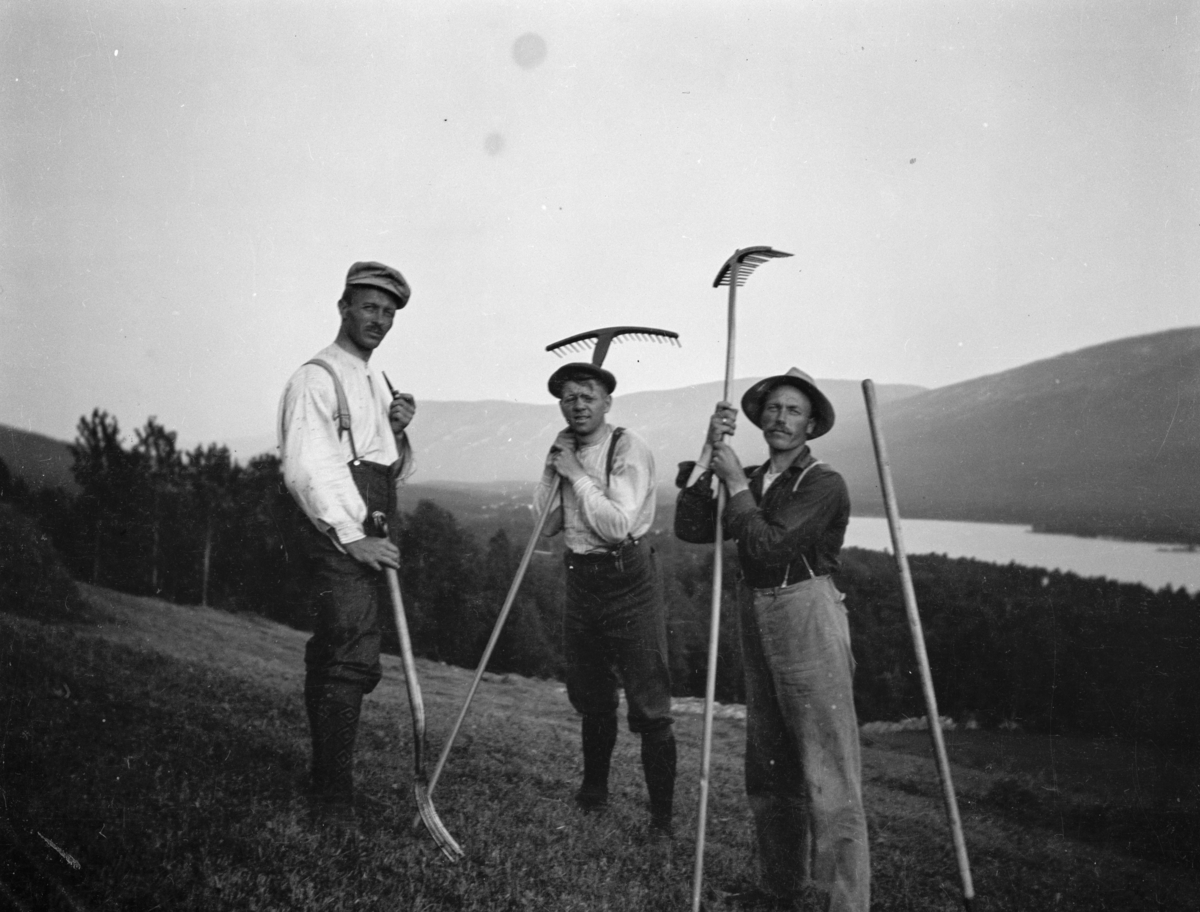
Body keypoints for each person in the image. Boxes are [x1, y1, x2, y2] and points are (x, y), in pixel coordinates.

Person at [674, 368, 869, 911]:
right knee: (770, 766)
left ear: (811, 425)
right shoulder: (756, 474)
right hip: (757, 612)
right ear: (759, 417)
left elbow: (767, 548)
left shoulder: (822, 483)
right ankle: (780, 891)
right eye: (774, 409)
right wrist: (709, 450)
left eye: (794, 412)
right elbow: (690, 527)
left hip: (807, 612)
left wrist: (735, 483)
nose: (781, 419)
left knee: (828, 775)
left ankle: (843, 905)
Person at [277, 260, 416, 828]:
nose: (379, 319)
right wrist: (352, 537)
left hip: (369, 521)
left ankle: (324, 779)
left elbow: (388, 468)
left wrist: (399, 430)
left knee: (340, 648)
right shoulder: (317, 376)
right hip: (340, 531)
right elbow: (308, 466)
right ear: (343, 307)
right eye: (368, 307)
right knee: (350, 654)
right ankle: (332, 799)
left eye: (388, 312)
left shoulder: (375, 378)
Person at [533, 361, 677, 835]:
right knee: (592, 694)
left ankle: (661, 820)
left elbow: (616, 524)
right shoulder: (566, 448)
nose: (578, 405)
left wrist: (576, 474)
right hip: (581, 577)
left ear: (607, 402)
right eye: (569, 397)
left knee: (648, 701)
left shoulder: (627, 447)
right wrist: (555, 467)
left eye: (588, 396)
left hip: (628, 577)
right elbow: (547, 523)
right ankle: (593, 792)